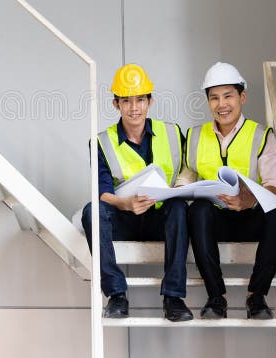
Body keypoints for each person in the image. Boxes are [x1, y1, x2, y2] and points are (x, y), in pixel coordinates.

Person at [81, 64, 193, 322]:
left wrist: (181, 185)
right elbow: (102, 193)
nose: (134, 108)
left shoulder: (172, 133)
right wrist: (126, 204)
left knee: (179, 208)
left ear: (150, 101)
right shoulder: (101, 142)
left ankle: (174, 298)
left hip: (160, 219)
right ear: (116, 104)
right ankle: (116, 295)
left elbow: (190, 168)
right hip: (125, 219)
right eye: (126, 101)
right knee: (92, 211)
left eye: (140, 100)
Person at [186, 62, 276, 320]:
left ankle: (256, 296)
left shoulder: (261, 135)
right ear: (208, 102)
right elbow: (186, 176)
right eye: (214, 98)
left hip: (250, 219)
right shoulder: (195, 136)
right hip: (216, 220)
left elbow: (275, 184)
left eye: (228, 96)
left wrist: (250, 198)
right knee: (197, 210)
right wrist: (178, 189)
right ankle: (216, 297)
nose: (221, 104)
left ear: (242, 97)